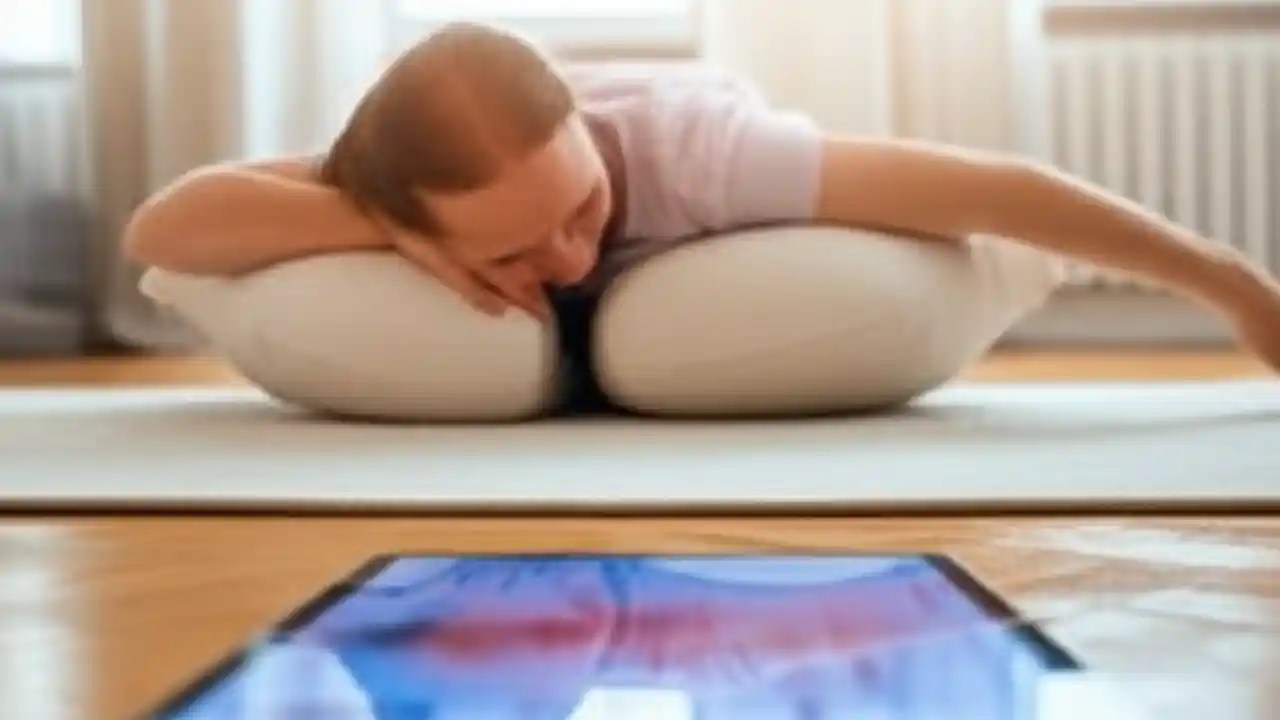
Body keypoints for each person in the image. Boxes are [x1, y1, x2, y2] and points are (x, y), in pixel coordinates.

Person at [123, 22, 1280, 376]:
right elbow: (163, 230)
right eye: (516, 248)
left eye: (579, 211)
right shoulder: (395, 174)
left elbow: (986, 186)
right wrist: (382, 226)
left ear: (581, 126)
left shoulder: (700, 154)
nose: (571, 261)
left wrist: (1226, 283)